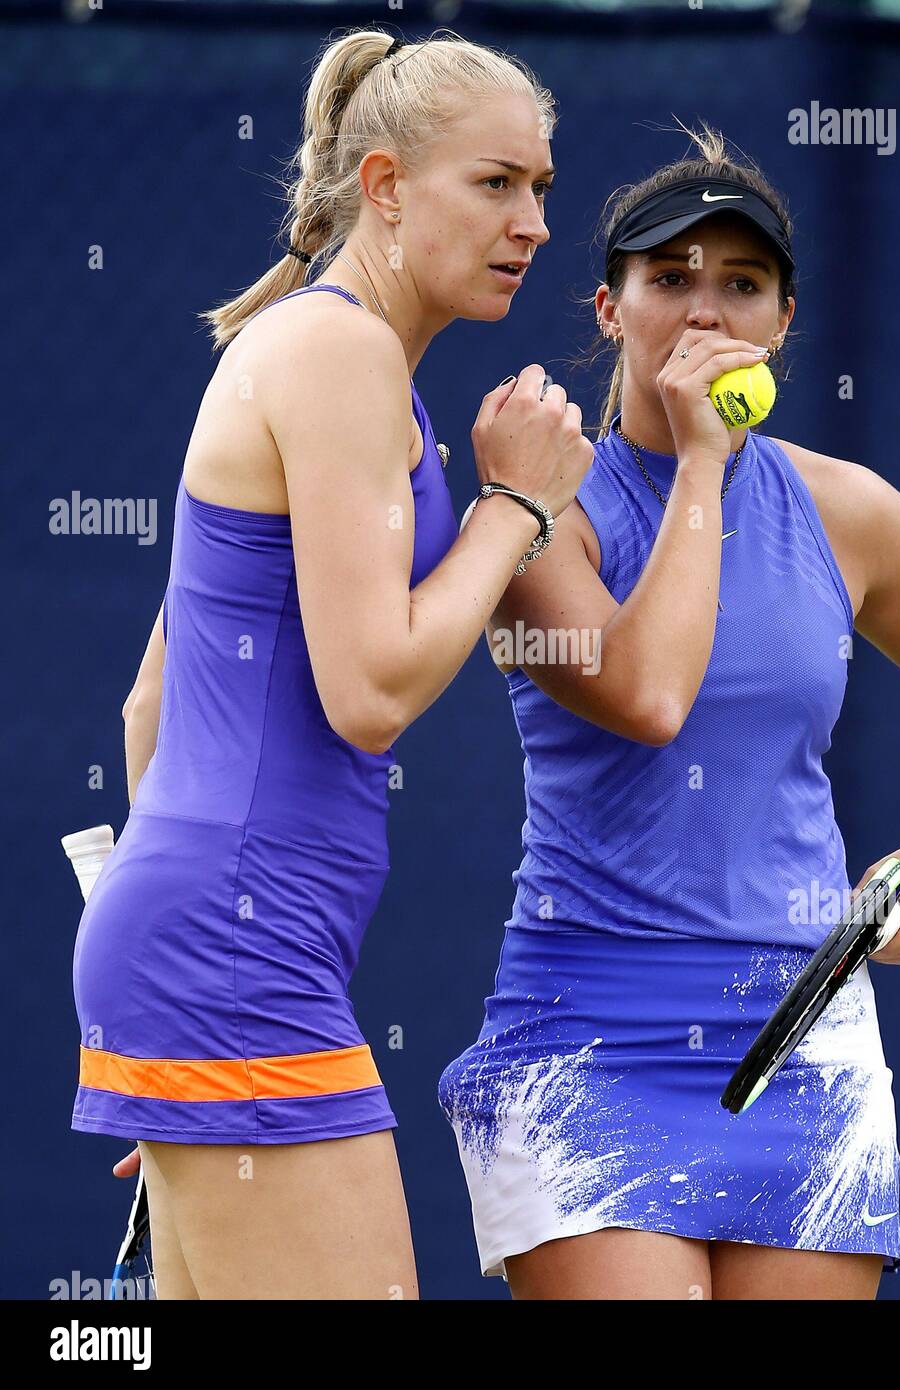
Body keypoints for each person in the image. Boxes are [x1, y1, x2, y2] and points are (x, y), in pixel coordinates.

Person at [438, 120, 900, 1301]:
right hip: (587, 1037)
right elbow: (647, 696)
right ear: (609, 309)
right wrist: (703, 461)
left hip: (804, 1036)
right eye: (670, 280)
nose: (705, 313)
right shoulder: (538, 514)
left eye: (742, 285)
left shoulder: (851, 510)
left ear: (783, 325)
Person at [71, 27, 592, 1300]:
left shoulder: (339, 361)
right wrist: (511, 507)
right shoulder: (340, 356)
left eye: (541, 187)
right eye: (493, 183)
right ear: (382, 185)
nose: (529, 220)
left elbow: (152, 702)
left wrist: (168, 992)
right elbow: (370, 694)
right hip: (236, 962)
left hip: (209, 955)